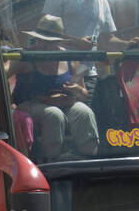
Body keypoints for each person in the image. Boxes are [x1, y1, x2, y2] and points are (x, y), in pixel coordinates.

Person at [10, 15, 100, 161]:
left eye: (48, 41)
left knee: (84, 112)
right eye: (39, 39)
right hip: (31, 104)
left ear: (58, 41)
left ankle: (90, 158)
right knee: (53, 114)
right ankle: (53, 161)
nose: (42, 44)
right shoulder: (26, 56)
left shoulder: (69, 59)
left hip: (65, 104)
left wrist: (76, 89)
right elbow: (2, 74)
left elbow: (84, 95)